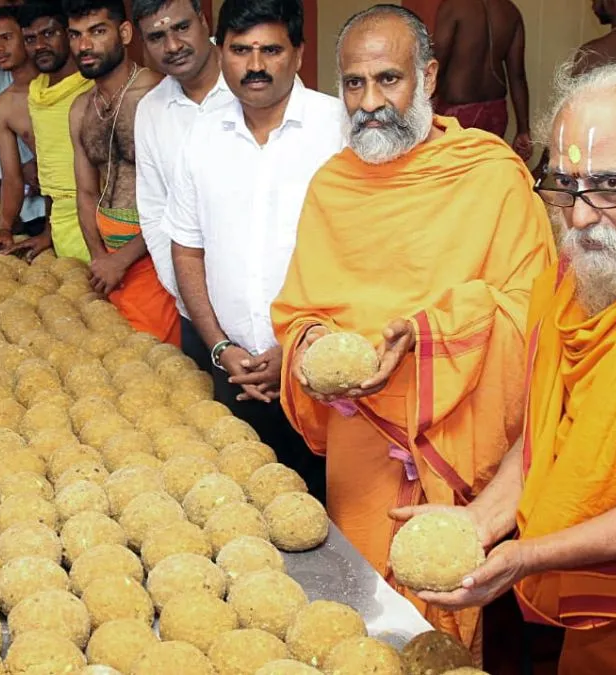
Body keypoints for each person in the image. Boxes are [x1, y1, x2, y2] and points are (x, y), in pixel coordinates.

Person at [400, 61, 616, 674]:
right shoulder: (582, 271)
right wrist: (483, 519)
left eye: (609, 185)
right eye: (564, 184)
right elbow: (549, 433)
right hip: (598, 611)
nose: (581, 217)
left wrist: (532, 556)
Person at [271, 4, 554, 654]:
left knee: (440, 625)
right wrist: (308, 345)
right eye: (354, 83)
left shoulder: (488, 176)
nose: (370, 102)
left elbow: (533, 316)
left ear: (427, 77)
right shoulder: (332, 186)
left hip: (457, 438)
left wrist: (429, 337)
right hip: (361, 444)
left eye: (388, 79)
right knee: (361, 622)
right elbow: (299, 310)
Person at [167, 0, 339, 500]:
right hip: (235, 373)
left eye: (271, 50)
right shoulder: (201, 136)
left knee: (330, 512)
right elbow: (187, 250)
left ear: (299, 53)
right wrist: (221, 348)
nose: (256, 65)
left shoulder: (338, 130)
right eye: (241, 50)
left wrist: (296, 350)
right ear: (221, 52)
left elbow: (364, 257)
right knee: (242, 509)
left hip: (322, 376)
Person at [64, 0, 178, 344]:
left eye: (97, 31)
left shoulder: (159, 96)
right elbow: (86, 192)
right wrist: (100, 259)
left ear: (125, 33)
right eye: (75, 35)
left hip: (156, 257)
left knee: (162, 358)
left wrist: (123, 259)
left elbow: (180, 198)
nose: (84, 45)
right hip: (108, 260)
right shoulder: (80, 109)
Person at [133, 0, 233, 370]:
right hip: (195, 311)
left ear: (204, 21)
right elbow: (155, 211)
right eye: (156, 37)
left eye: (181, 27)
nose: (172, 46)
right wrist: (189, 297)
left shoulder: (254, 82)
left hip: (273, 308)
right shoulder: (151, 111)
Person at [6, 2, 93, 264]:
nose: (40, 45)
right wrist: (48, 232)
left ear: (69, 33)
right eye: (30, 39)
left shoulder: (93, 86)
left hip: (101, 224)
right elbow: (50, 175)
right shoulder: (37, 93)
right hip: (62, 229)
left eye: (48, 33)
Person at [0, 4, 51, 260]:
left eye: (6, 38)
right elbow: (11, 176)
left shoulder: (62, 81)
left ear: (25, 36)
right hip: (55, 210)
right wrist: (5, 228)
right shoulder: (3, 108)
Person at [432, 0, 532, 159]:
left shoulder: (453, 6)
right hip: (495, 112)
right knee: (486, 169)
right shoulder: (511, 11)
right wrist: (523, 130)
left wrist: (416, 106)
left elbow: (436, 64)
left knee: (452, 172)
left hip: (457, 115)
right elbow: (517, 76)